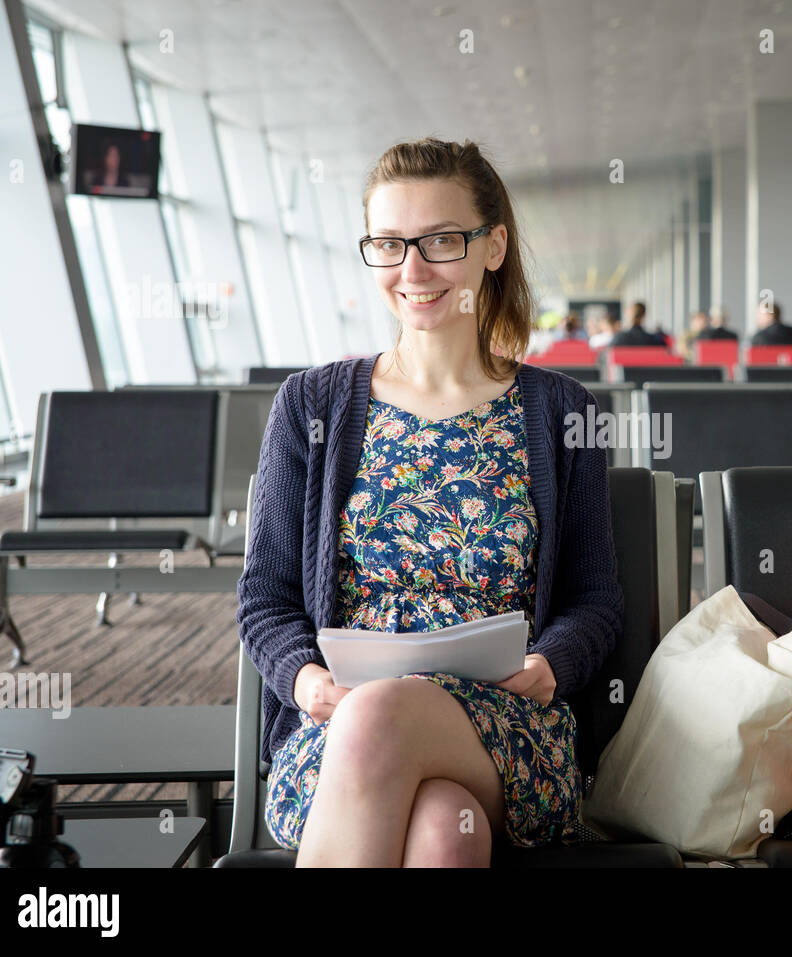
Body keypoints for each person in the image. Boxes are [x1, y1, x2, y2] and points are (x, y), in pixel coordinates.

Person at [237, 137, 623, 867]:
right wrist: (307, 683)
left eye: (441, 240)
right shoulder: (311, 406)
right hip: (337, 725)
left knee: (385, 721)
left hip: (510, 725)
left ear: (493, 246)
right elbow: (264, 597)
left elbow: (595, 599)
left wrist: (550, 666)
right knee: (445, 833)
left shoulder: (562, 411)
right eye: (388, 243)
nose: (412, 270)